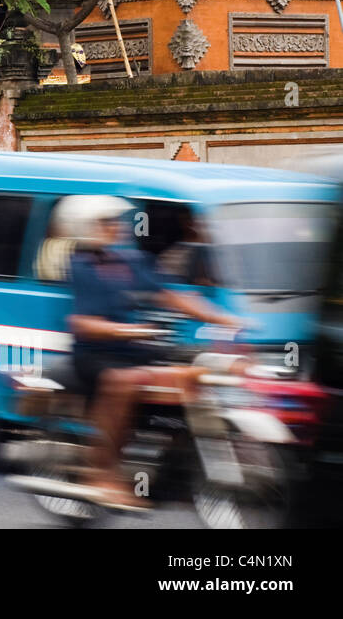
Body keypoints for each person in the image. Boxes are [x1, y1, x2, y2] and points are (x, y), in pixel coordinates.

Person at [63, 195, 243, 511]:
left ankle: (178, 459)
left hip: (134, 349)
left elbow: (171, 296)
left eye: (115, 221)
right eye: (106, 222)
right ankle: (101, 472)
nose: (116, 226)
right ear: (84, 227)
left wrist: (222, 318)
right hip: (94, 355)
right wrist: (127, 331)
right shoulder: (80, 267)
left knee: (197, 370)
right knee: (125, 381)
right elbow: (82, 323)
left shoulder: (132, 261)